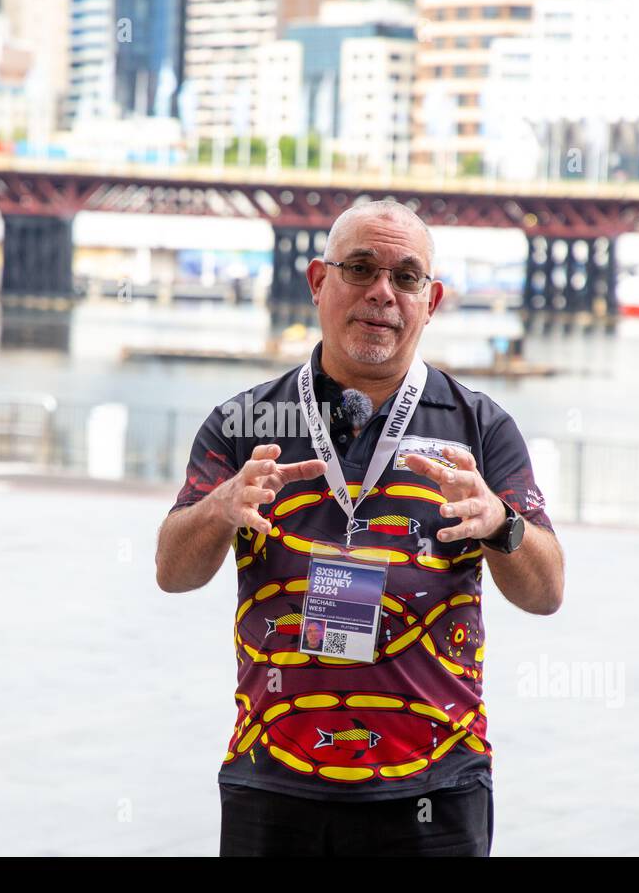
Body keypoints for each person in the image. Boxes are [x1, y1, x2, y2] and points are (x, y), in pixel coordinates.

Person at [155, 201, 564, 857]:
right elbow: (171, 573)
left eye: (405, 278)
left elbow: (546, 592)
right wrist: (218, 507)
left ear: (430, 301)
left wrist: (501, 523)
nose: (382, 292)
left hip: (436, 785)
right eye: (361, 268)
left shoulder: (481, 427)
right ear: (319, 280)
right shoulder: (244, 422)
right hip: (273, 781)